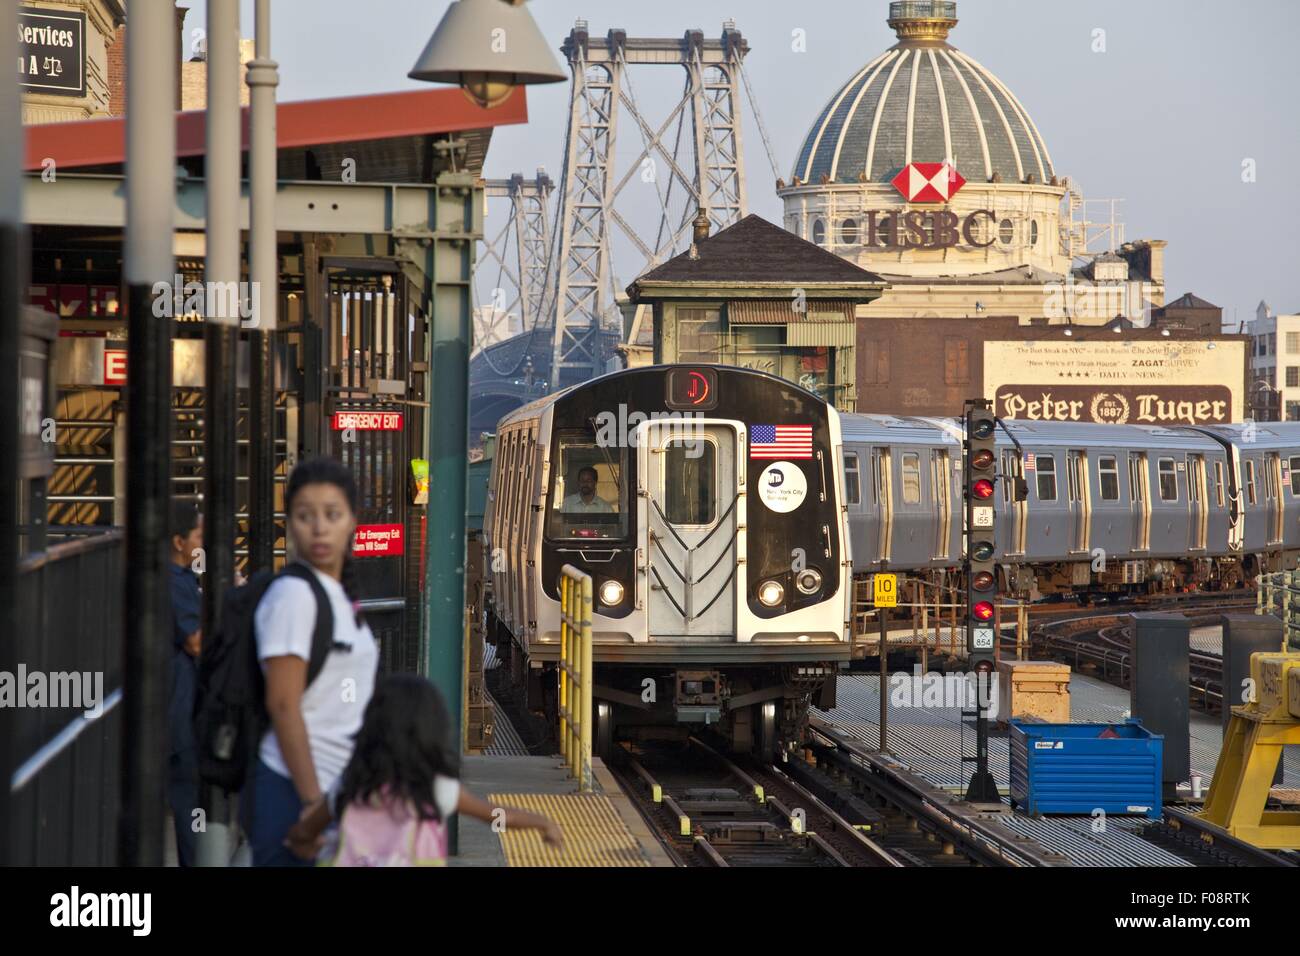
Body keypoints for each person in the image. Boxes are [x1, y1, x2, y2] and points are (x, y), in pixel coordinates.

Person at [241, 457, 379, 867]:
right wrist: (311, 803)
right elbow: (283, 705)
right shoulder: (294, 597)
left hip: (331, 797)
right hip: (293, 793)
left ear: (352, 520)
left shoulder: (336, 594)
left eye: (331, 514)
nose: (319, 527)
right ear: (290, 522)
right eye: (305, 516)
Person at [286, 674, 562, 865]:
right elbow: (495, 817)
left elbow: (303, 833)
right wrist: (541, 823)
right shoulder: (434, 790)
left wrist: (313, 844)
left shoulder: (350, 786)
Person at [167, 503, 204, 867]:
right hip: (177, 709)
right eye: (197, 535)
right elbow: (196, 641)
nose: (202, 542)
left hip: (179, 704)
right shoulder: (172, 581)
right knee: (187, 798)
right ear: (179, 541)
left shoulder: (180, 578)